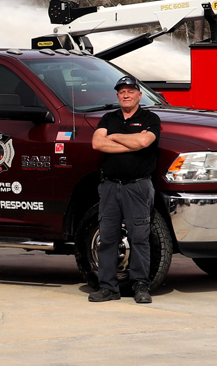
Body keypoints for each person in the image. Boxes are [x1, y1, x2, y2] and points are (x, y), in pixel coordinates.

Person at [88, 75, 162, 304]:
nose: (126, 94)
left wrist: (116, 137)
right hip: (110, 186)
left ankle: (140, 286)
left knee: (139, 238)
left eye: (130, 91)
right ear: (117, 95)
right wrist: (130, 142)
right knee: (108, 238)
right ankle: (108, 287)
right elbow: (97, 143)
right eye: (122, 91)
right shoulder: (108, 117)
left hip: (138, 187)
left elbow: (144, 143)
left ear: (139, 95)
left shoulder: (150, 118)